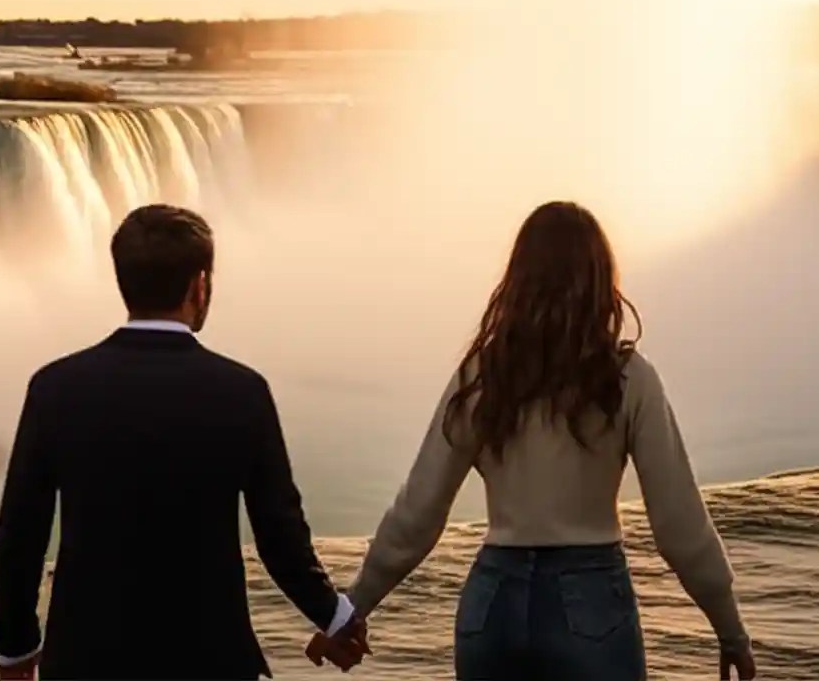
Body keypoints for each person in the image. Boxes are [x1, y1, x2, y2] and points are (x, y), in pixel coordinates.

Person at [323, 201, 756, 680]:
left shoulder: (484, 375)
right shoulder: (627, 379)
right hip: (590, 607)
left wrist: (352, 608)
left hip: (492, 607)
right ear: (600, 279)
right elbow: (680, 526)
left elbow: (417, 512)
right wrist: (730, 630)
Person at [0, 204, 368, 680]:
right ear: (200, 285)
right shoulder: (241, 392)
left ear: (123, 281)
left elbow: (20, 538)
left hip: (86, 660)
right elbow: (280, 535)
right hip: (211, 660)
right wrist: (334, 616)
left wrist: (16, 648)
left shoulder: (56, 388)